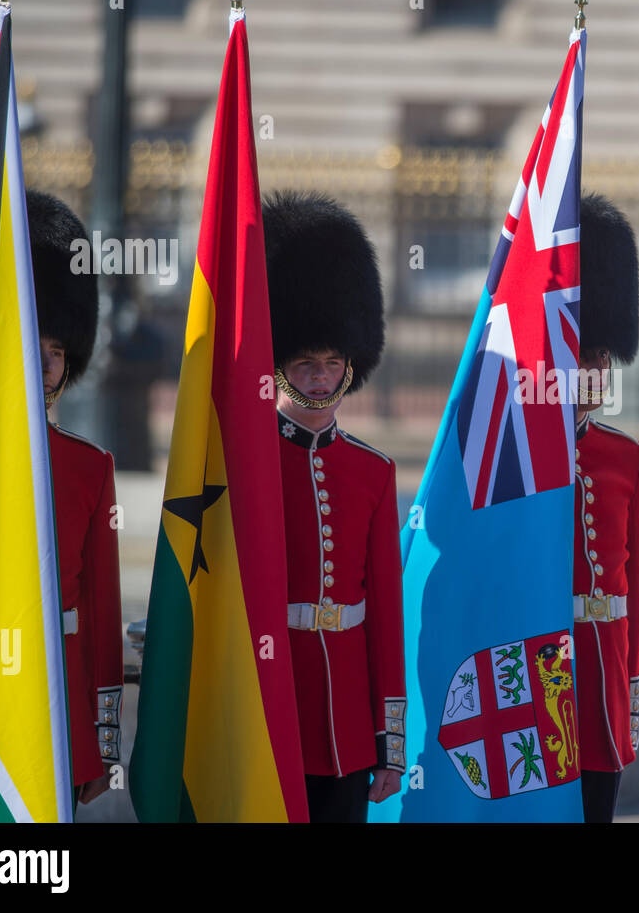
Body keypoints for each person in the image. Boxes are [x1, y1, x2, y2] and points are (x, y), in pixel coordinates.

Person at [0, 190, 124, 808]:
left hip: (52, 699)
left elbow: (99, 616)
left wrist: (101, 742)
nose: (43, 362)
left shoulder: (90, 469)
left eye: (56, 351)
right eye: (31, 344)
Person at [263, 190, 406, 823]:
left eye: (332, 363)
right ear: (281, 365)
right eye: (305, 363)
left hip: (348, 723)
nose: (321, 378)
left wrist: (389, 740)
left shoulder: (373, 471)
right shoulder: (251, 468)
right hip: (274, 705)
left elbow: (384, 617)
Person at [571, 194, 639, 823]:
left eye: (603, 357)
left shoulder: (625, 456)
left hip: (606, 676)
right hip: (545, 676)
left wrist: (631, 684)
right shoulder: (512, 456)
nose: (597, 368)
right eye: (583, 354)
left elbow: (632, 584)